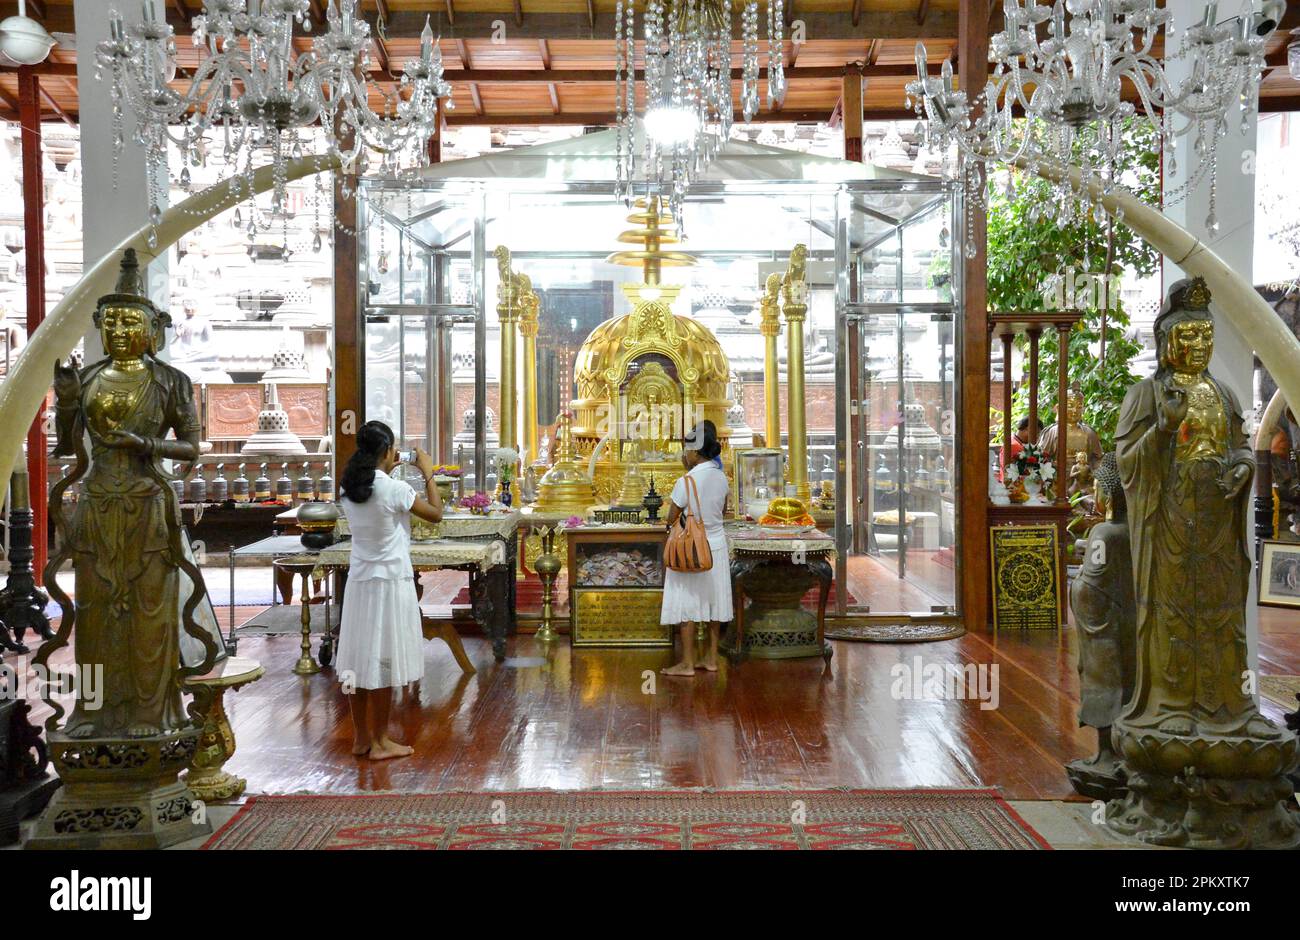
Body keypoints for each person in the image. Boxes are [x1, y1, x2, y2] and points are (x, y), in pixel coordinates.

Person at [337, 421, 444, 760]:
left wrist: (384, 466)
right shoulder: (395, 489)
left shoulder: (350, 487)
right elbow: (436, 515)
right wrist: (428, 473)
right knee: (381, 661)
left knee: (356, 658)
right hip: (391, 583)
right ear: (387, 451)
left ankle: (361, 738)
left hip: (360, 582)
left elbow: (374, 490)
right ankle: (381, 741)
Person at [660, 421, 733, 677]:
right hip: (717, 546)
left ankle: (687, 663)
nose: (685, 454)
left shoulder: (687, 481)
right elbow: (722, 511)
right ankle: (711, 658)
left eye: (687, 450)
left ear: (695, 452)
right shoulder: (722, 477)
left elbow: (671, 517)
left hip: (691, 547)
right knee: (715, 604)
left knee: (688, 604)